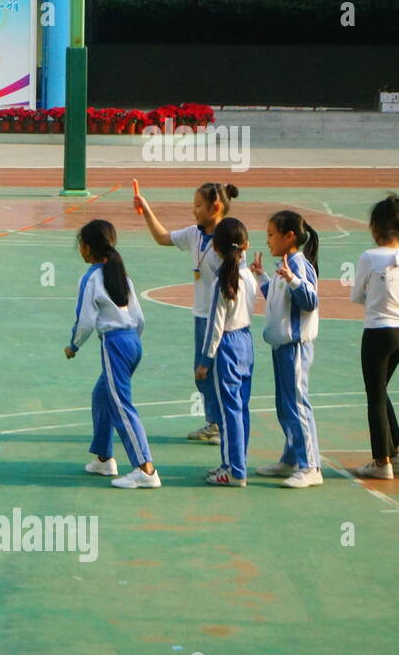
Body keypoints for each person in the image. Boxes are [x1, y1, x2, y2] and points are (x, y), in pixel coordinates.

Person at [135, 180, 239, 444]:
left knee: (218, 373)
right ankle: (214, 422)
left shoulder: (228, 241)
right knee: (202, 372)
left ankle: (224, 424)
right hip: (201, 316)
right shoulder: (194, 234)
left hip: (222, 319)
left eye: (197, 205)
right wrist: (146, 209)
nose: (193, 210)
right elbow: (162, 238)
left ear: (215, 207)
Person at [65, 220, 161, 489]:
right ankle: (104, 458)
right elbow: (139, 318)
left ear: (87, 248)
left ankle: (146, 468)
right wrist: (131, 343)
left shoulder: (91, 278)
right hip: (132, 341)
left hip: (115, 343)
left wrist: (73, 346)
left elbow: (85, 320)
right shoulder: (122, 275)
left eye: (80, 244)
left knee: (121, 406)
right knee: (102, 395)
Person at [253, 210, 322, 488]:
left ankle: (310, 466)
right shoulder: (285, 265)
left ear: (289, 236)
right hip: (281, 346)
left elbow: (310, 300)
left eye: (271, 234)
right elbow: (280, 300)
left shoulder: (299, 266)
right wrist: (262, 279)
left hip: (295, 347)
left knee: (297, 404)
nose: (268, 240)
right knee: (285, 405)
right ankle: (292, 457)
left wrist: (292, 279)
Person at [197, 217, 258, 487]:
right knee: (241, 407)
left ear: (216, 249)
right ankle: (235, 463)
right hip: (246, 341)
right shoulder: (248, 276)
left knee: (227, 411)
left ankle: (235, 471)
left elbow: (215, 325)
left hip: (227, 347)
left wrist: (204, 361)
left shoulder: (223, 280)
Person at [350, 193, 399, 480]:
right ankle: (394, 448)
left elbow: (357, 295)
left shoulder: (370, 257)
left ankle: (382, 462)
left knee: (375, 395)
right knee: (381, 389)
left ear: (375, 227)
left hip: (378, 331)